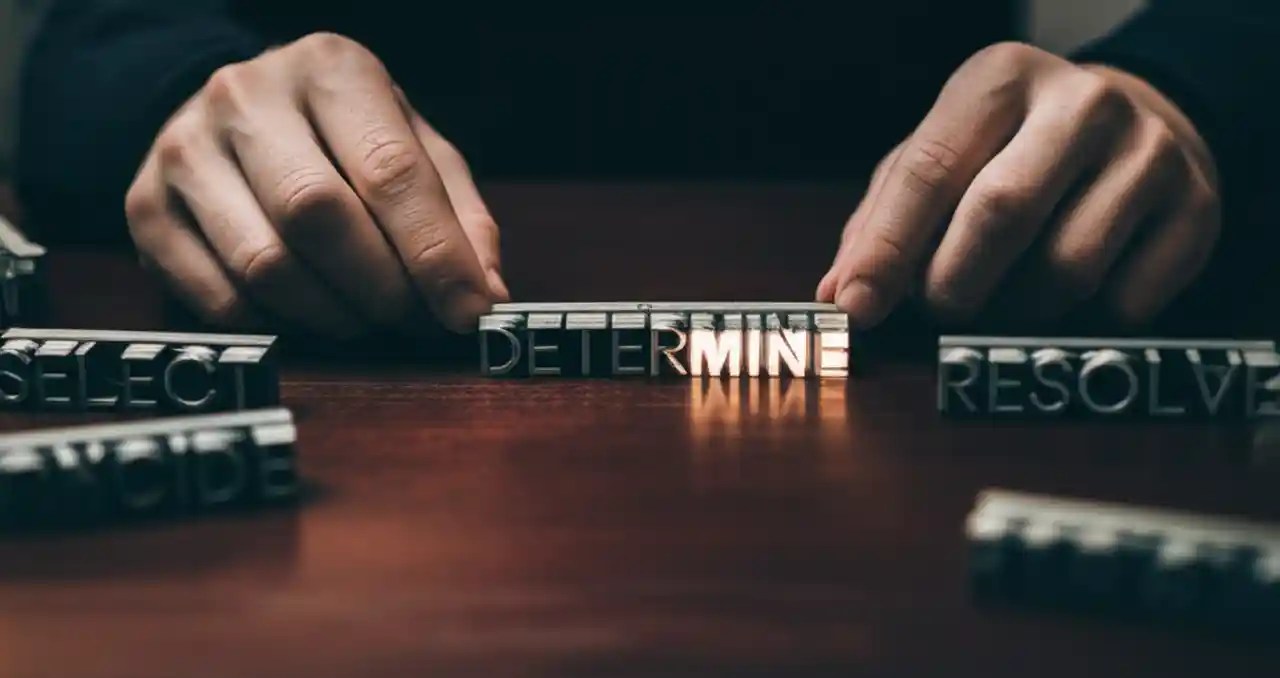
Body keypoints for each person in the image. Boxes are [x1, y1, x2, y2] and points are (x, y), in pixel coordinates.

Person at [16, 1, 1280, 338]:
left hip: (936, 333)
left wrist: (1185, 89)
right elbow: (90, 40)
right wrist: (176, 97)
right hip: (348, 354)